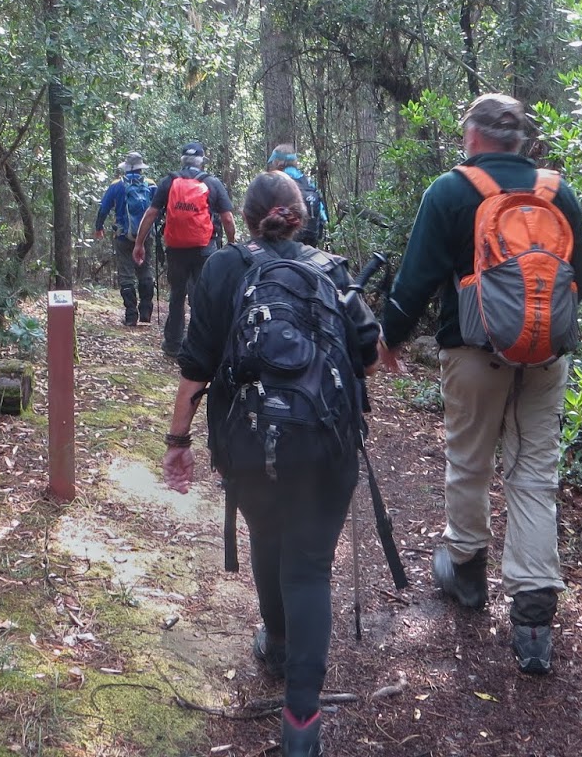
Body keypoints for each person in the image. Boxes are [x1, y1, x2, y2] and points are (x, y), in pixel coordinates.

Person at [160, 172, 382, 757]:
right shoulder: (332, 268)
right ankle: (302, 723)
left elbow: (196, 365)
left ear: (250, 216)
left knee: (267, 534)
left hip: (249, 442)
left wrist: (177, 439)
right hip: (325, 444)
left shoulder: (223, 268)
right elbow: (367, 356)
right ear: (300, 215)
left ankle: (277, 642)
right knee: (309, 566)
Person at [377, 92, 582, 676]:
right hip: (548, 354)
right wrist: (536, 323)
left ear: (473, 135)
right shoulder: (556, 192)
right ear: (521, 139)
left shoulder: (450, 191)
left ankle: (467, 571)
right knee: (534, 472)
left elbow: (416, 278)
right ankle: (532, 613)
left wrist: (388, 341)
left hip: (472, 350)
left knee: (469, 459)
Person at [132, 142, 235, 359]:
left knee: (177, 295)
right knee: (202, 296)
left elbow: (151, 213)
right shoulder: (213, 183)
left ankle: (173, 344)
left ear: (182, 160)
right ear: (202, 160)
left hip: (176, 248)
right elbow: (227, 218)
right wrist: (232, 245)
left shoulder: (169, 183)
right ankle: (200, 346)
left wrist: (139, 243)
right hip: (205, 249)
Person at [94, 151, 156, 326]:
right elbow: (158, 210)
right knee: (145, 270)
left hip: (122, 236)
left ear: (126, 167)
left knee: (126, 274)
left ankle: (130, 316)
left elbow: (104, 208)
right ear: (141, 168)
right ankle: (146, 313)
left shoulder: (117, 185)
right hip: (145, 237)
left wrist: (99, 227)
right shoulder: (151, 185)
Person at [267, 144, 328, 246]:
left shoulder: (277, 180)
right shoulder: (307, 181)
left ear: (278, 163)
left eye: (273, 162)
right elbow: (323, 217)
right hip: (310, 242)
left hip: (285, 242)